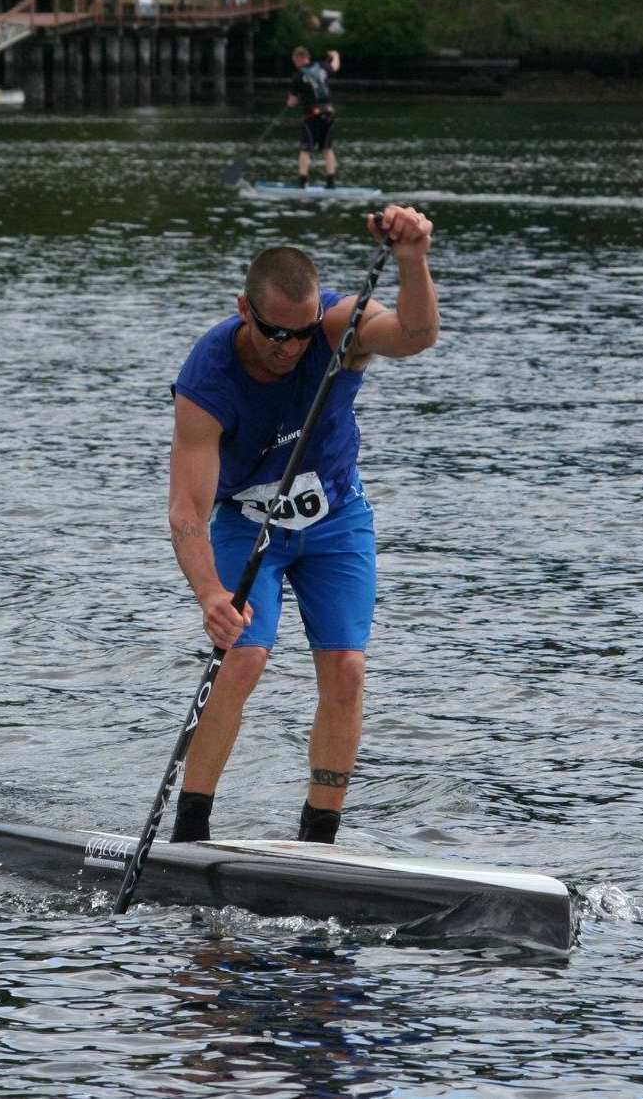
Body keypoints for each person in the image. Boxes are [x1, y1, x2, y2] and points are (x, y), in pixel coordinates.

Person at [167, 205, 439, 845]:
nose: (290, 348)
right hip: (245, 521)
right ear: (244, 309)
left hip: (336, 518)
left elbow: (415, 335)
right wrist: (209, 594)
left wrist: (413, 258)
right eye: (274, 334)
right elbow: (187, 511)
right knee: (242, 658)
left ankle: (319, 837)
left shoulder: (337, 327)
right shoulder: (207, 381)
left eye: (301, 333)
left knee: (345, 667)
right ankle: (190, 830)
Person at [286, 46, 340, 188]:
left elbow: (292, 102)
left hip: (312, 115)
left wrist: (291, 102)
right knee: (327, 148)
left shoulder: (298, 75)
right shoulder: (321, 67)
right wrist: (335, 55)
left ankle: (302, 182)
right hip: (328, 113)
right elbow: (335, 66)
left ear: (298, 58)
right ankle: (330, 182)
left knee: (305, 149)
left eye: (294, 61)